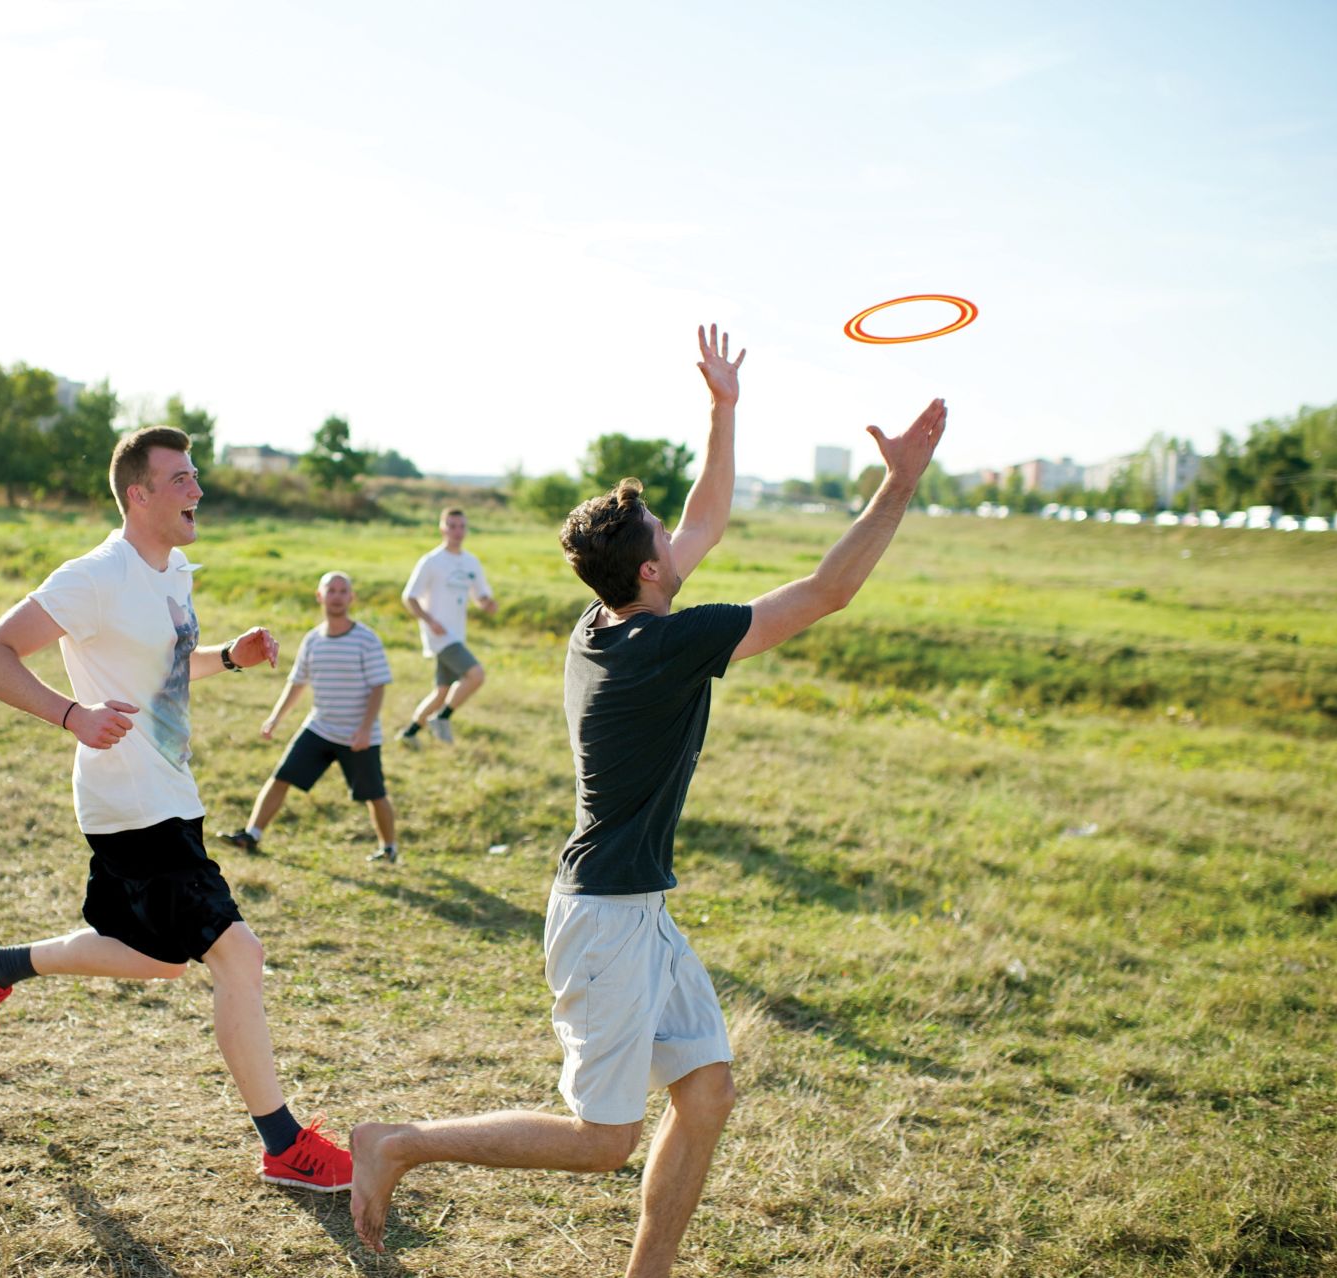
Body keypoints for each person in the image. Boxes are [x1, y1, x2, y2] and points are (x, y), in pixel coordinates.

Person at [350, 326, 948, 1275]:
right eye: (667, 543)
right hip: (605, 918)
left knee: (705, 1093)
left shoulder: (607, 621)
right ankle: (397, 1142)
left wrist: (723, 409)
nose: (684, 541)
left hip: (634, 908)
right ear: (649, 575)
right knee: (601, 1142)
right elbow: (830, 590)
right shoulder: (662, 648)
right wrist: (902, 482)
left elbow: (704, 522)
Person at [0, 425, 355, 1193]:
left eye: (195, 475)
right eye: (180, 479)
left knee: (160, 960)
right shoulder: (95, 576)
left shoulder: (172, 573)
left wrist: (227, 658)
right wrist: (71, 714)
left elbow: (163, 669)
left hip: (168, 790)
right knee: (239, 954)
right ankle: (284, 1145)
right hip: (131, 802)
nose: (197, 489)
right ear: (139, 495)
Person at [219, 570, 398, 863]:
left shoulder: (367, 639)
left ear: (351, 598)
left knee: (374, 793)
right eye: (331, 590)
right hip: (319, 727)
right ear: (320, 596)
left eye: (343, 591)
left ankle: (389, 848)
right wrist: (275, 718)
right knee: (281, 776)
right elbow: (297, 683)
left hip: (358, 735)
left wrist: (365, 730)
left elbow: (379, 686)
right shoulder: (312, 640)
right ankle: (251, 835)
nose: (337, 596)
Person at [397, 507, 496, 747]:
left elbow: (480, 595)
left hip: (457, 635)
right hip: (439, 636)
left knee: (442, 692)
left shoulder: (471, 562)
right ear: (442, 528)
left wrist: (487, 603)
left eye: (461, 526)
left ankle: (408, 734)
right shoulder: (431, 561)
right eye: (451, 526)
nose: (457, 531)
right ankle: (442, 718)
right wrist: (430, 621)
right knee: (476, 675)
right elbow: (409, 597)